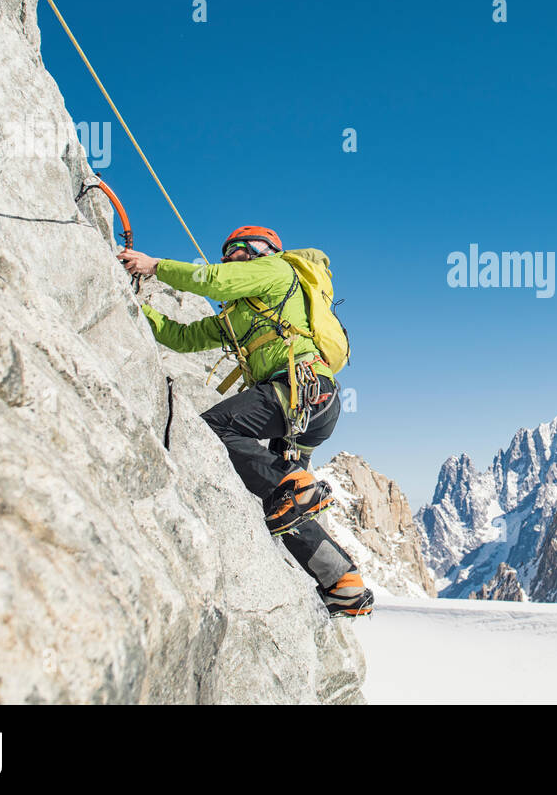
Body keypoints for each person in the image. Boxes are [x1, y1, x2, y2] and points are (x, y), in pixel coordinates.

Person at [117, 227, 373, 618]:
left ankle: (290, 484)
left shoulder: (277, 270)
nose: (229, 258)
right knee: (283, 507)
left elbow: (215, 282)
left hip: (298, 389)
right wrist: (134, 306)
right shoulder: (237, 318)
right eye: (226, 253)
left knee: (210, 428)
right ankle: (343, 583)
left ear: (260, 251)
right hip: (312, 405)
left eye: (238, 250)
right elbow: (182, 338)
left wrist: (155, 267)